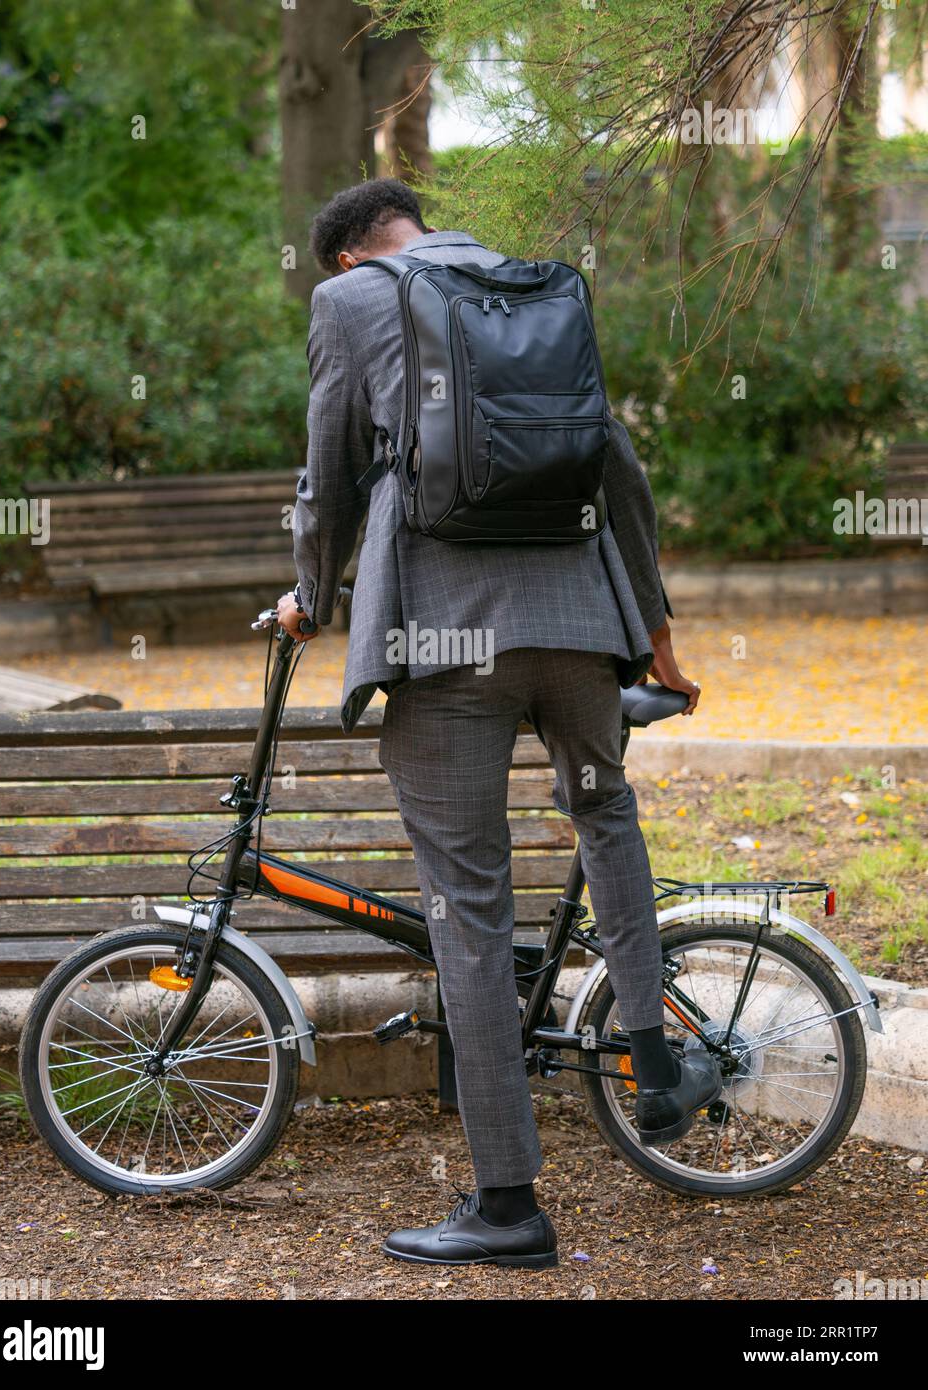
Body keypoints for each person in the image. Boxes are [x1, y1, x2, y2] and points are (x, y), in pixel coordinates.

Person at [277, 177, 720, 1270]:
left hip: (445, 639)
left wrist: (310, 595)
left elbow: (331, 475)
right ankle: (655, 1061)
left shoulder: (352, 303)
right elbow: (616, 464)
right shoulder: (532, 284)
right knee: (604, 814)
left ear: (345, 259)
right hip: (578, 625)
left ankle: (509, 1206)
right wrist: (655, 630)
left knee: (468, 908)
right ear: (423, 225)